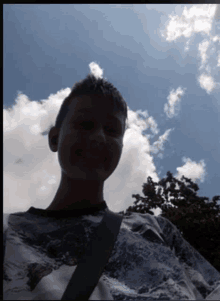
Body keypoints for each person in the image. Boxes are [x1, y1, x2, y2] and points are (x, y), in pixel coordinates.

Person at [3, 74, 220, 300]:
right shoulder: (8, 232)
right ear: (55, 139)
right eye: (85, 124)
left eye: (112, 130)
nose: (99, 137)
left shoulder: (157, 230)